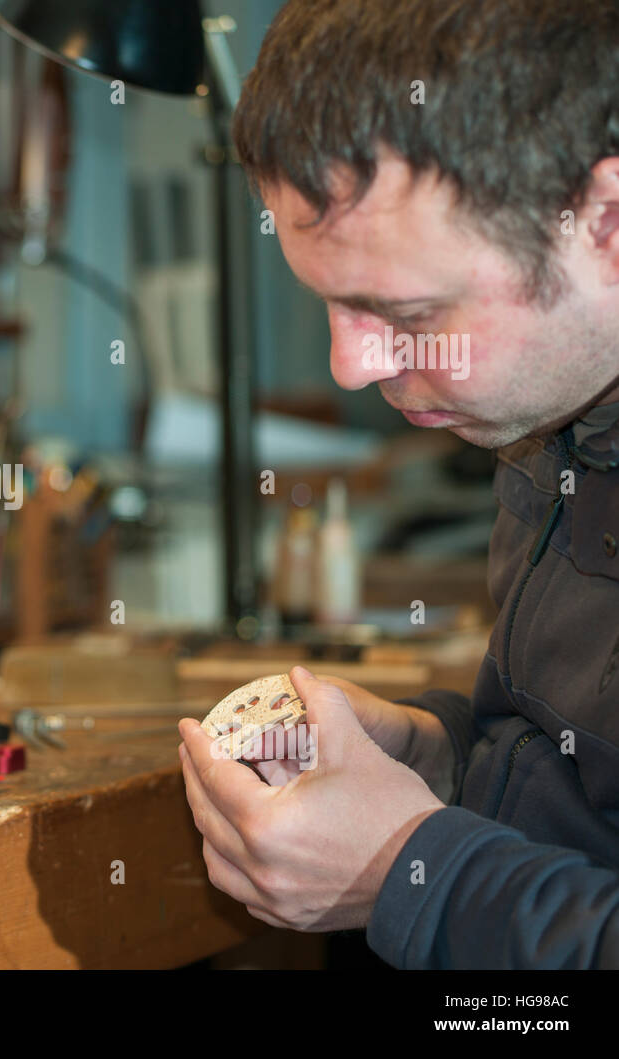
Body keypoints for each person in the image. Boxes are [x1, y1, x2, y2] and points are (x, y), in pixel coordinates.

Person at [178, 0, 619, 968]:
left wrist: (407, 868)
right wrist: (439, 761)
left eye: (402, 308)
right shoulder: (555, 425)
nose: (348, 366)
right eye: (330, 302)